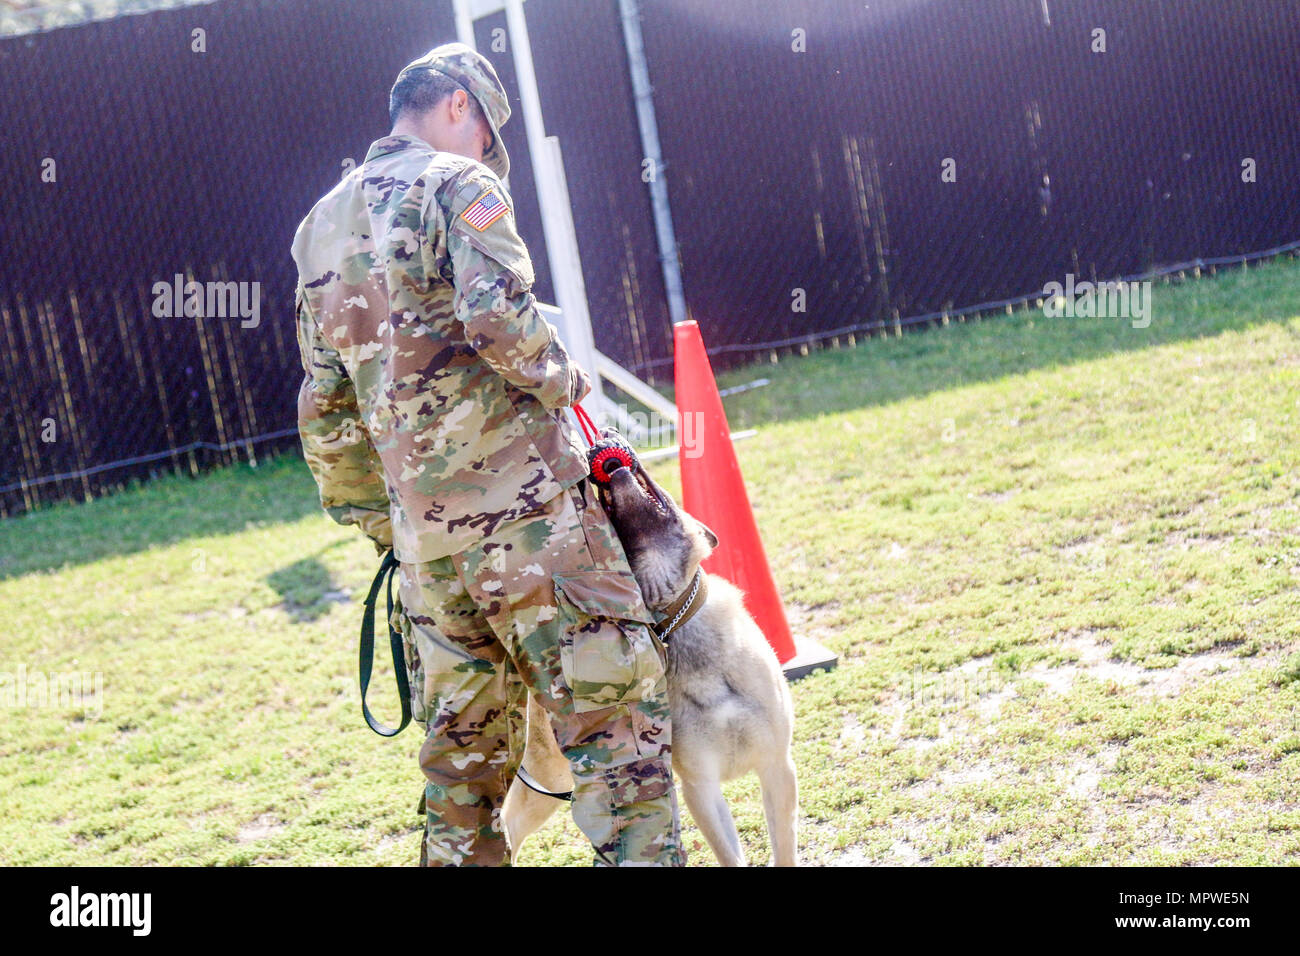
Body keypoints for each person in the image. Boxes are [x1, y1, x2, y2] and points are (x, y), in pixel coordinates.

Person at [289, 42, 684, 866]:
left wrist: (390, 529)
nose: (484, 157)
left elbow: (325, 415)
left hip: (430, 558)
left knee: (462, 779)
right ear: (458, 105)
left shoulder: (319, 228)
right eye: (482, 135)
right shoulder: (458, 184)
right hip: (536, 531)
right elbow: (504, 324)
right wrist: (568, 379)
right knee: (617, 742)